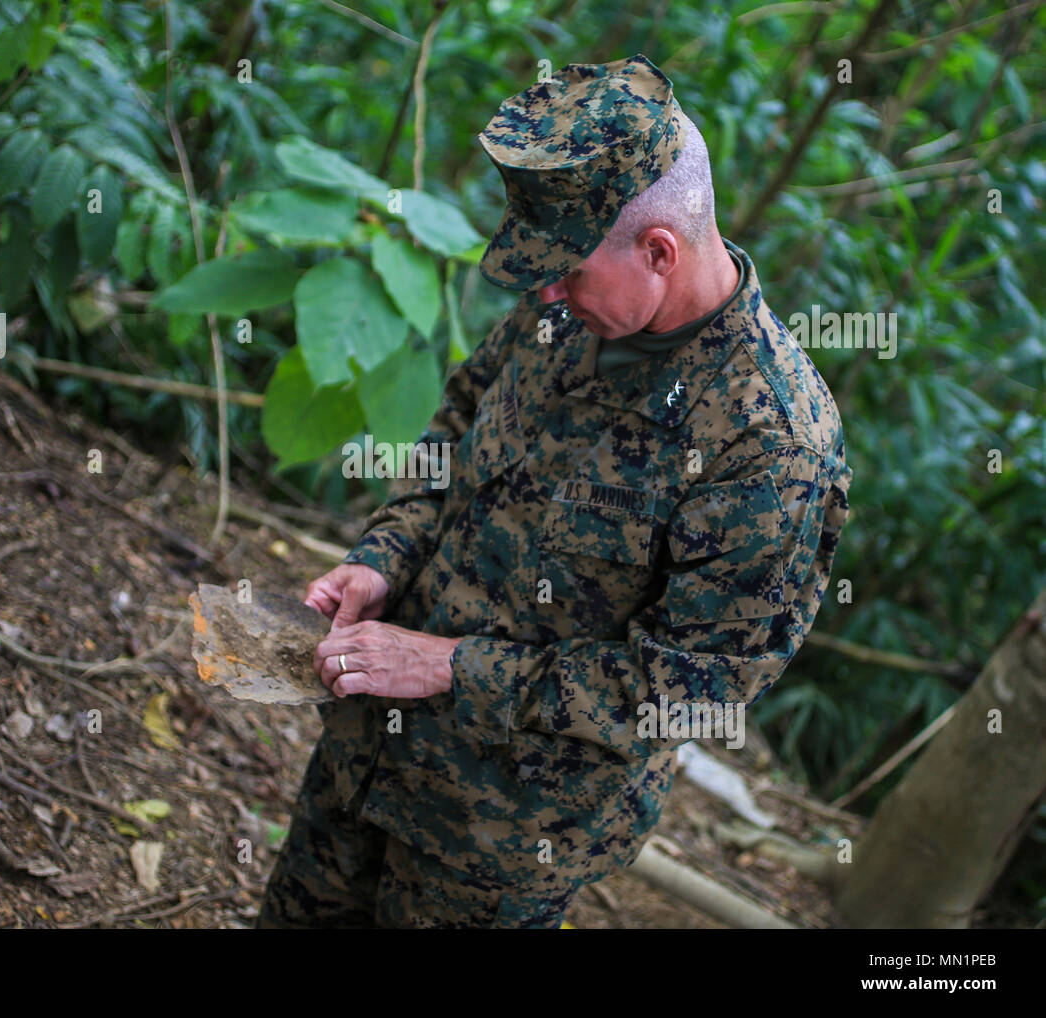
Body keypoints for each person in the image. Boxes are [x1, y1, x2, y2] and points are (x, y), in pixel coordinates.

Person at [256, 54, 852, 929]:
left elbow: (687, 686)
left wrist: (450, 665)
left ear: (660, 252)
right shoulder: (569, 305)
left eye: (567, 269)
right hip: (367, 750)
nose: (544, 291)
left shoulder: (771, 447)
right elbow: (457, 428)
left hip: (499, 839)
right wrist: (384, 557)